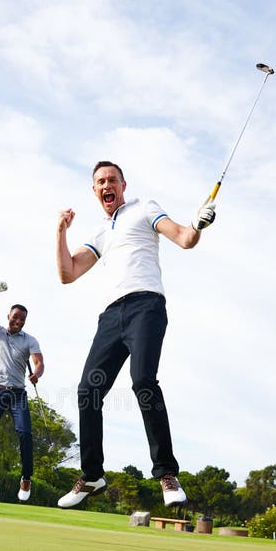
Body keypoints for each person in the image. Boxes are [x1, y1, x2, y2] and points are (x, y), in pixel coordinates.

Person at [55, 161, 216, 509]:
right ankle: (93, 475)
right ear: (95, 191)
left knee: (143, 380)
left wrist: (198, 224)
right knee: (88, 390)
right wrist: (60, 232)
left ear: (123, 185)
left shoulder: (145, 208)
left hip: (146, 306)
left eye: (112, 179)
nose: (106, 185)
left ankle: (166, 474)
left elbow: (185, 239)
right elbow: (68, 274)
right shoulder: (100, 232)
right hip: (111, 316)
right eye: (100, 182)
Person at [0, 282, 45, 502]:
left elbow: (39, 362)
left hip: (17, 394)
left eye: (22, 320)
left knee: (25, 434)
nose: (18, 321)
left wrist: (36, 373)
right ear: (9, 316)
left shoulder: (30, 340)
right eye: (15, 317)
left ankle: (26, 478)